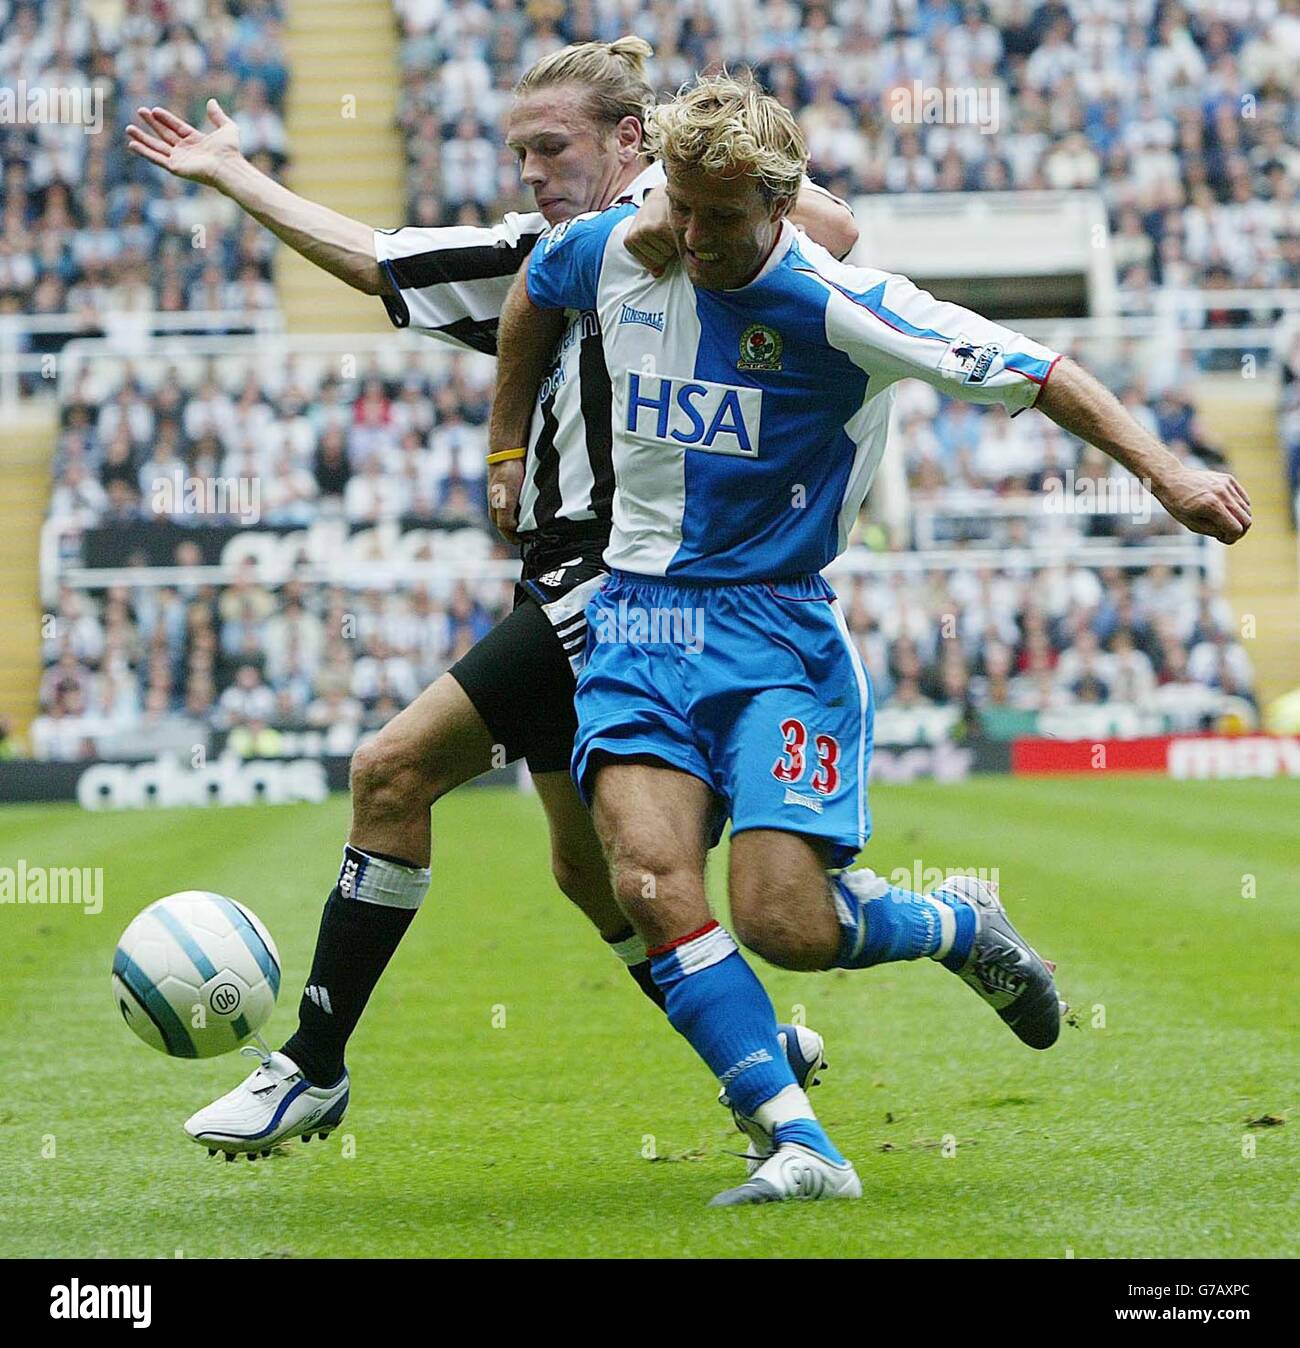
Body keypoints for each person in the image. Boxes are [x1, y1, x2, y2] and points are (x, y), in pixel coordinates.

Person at [496, 71, 1252, 1206]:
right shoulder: (620, 244)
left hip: (777, 636)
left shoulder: (844, 306)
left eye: (719, 219)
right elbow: (532, 292)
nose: (690, 238)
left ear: (782, 207)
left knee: (784, 924)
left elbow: (1042, 371)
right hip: (637, 619)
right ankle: (799, 1144)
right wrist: (508, 447)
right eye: (681, 210)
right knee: (649, 880)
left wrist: (1171, 475)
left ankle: (957, 925)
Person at [125, 39, 857, 1159]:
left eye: (549, 146)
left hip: (625, 590)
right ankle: (756, 1044)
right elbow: (380, 260)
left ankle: (310, 1067)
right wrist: (234, 176)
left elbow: (835, 227)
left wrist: (691, 174)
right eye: (517, 150)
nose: (528, 169)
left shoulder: (713, 235)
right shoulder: (553, 252)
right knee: (590, 873)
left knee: (391, 768)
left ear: (631, 139)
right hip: (567, 576)